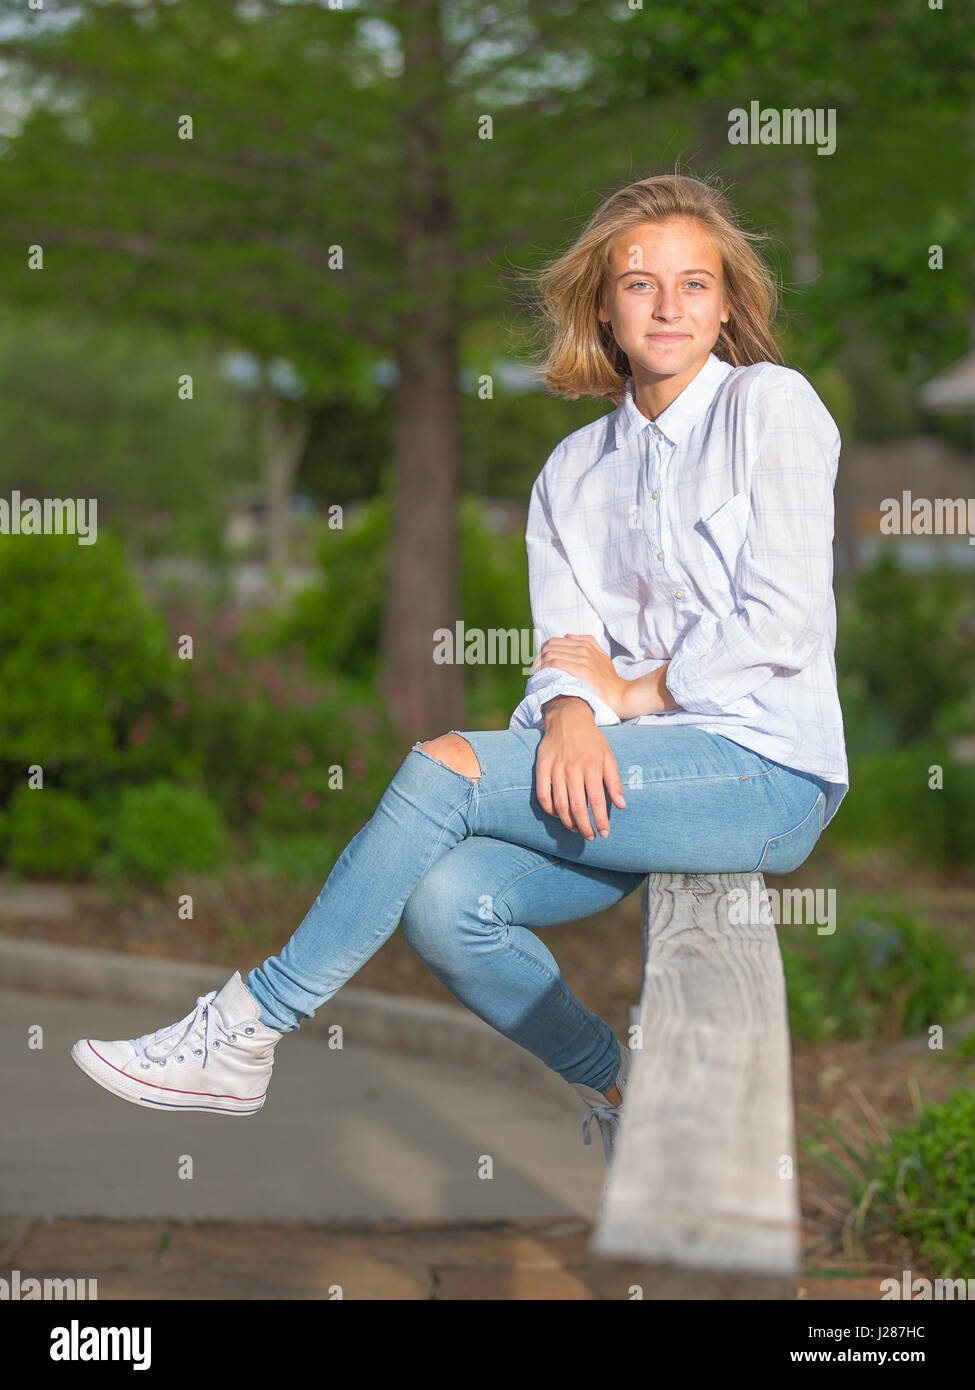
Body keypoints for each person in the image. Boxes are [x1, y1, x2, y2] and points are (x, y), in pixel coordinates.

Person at [71, 172, 848, 1165]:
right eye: (640, 282)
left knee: (446, 763)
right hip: (625, 776)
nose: (667, 305)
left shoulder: (768, 407)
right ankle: (622, 1084)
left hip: (763, 772)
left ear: (728, 301)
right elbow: (563, 653)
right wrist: (571, 706)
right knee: (449, 909)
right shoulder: (570, 474)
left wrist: (630, 691)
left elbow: (781, 621)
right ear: (602, 305)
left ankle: (248, 1025)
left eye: (694, 284)